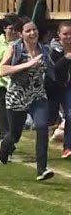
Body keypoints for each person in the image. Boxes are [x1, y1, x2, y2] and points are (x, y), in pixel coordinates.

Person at [0, 17, 54, 180]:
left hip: (37, 94)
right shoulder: (14, 49)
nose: (32, 33)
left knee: (42, 127)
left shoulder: (44, 50)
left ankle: (41, 169)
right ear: (21, 34)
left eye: (34, 29)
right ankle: (5, 145)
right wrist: (28, 65)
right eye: (28, 30)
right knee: (15, 135)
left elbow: (52, 71)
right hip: (17, 95)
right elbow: (1, 70)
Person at [46, 22, 71, 158]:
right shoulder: (52, 50)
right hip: (53, 89)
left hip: (68, 88)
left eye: (70, 34)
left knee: (70, 115)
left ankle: (68, 147)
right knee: (49, 120)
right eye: (65, 34)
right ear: (59, 35)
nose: (68, 37)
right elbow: (53, 69)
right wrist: (66, 58)